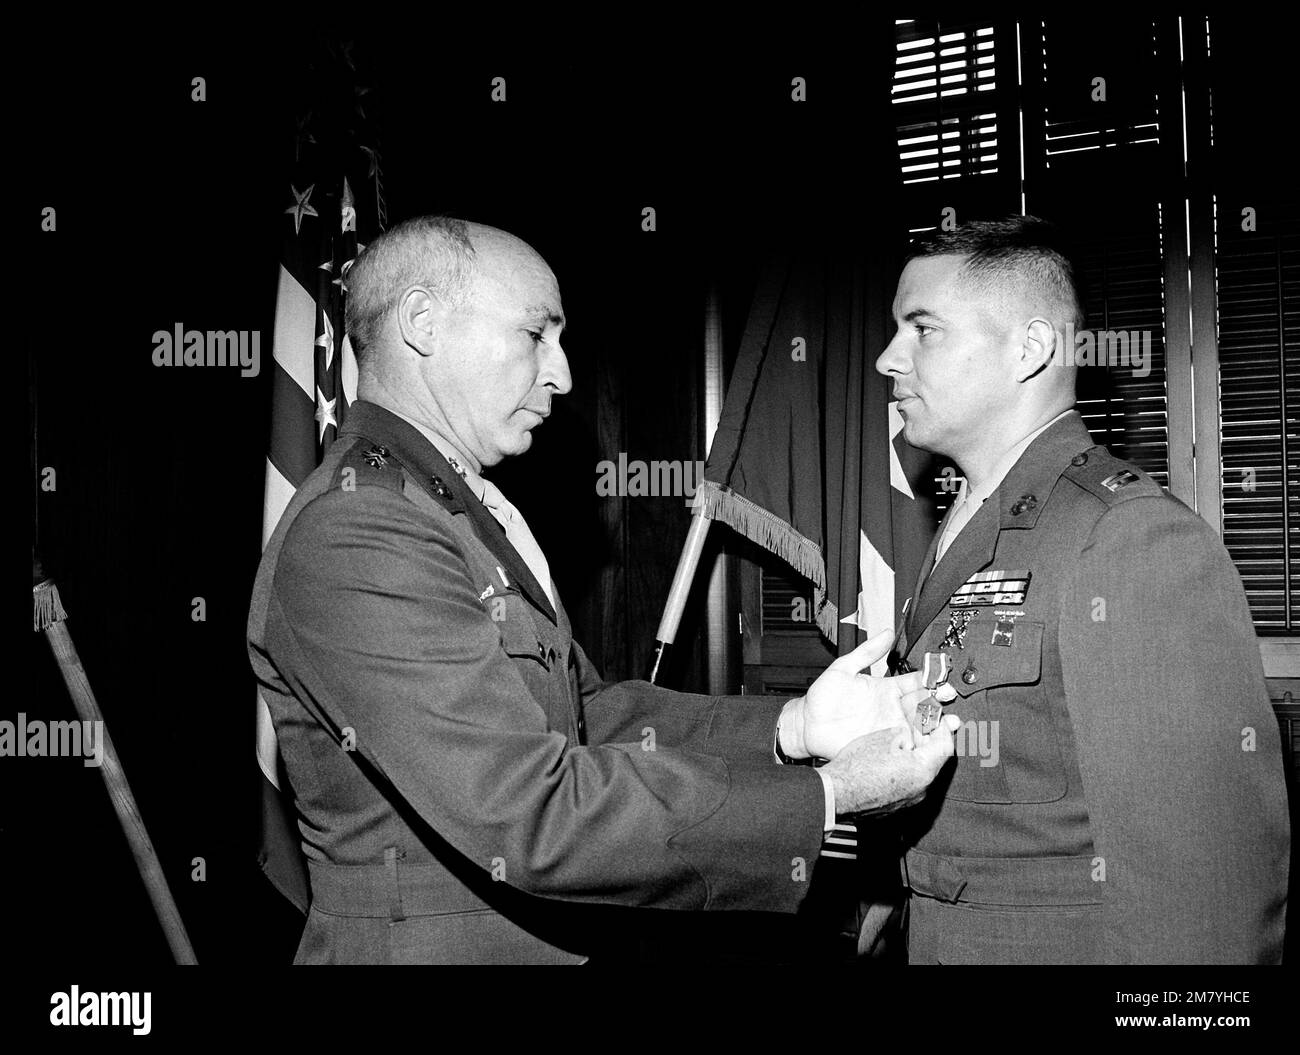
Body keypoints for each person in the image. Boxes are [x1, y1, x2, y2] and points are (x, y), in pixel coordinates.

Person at [247, 215, 959, 964]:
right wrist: (829, 795)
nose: (563, 373)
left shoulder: (454, 504)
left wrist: (794, 729)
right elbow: (530, 814)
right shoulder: (362, 526)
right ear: (423, 322)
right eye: (535, 334)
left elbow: (587, 716)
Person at [875, 215, 1291, 964]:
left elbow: (1206, 891)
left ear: (1030, 349)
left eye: (922, 329)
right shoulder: (965, 522)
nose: (887, 358)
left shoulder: (1126, 537)